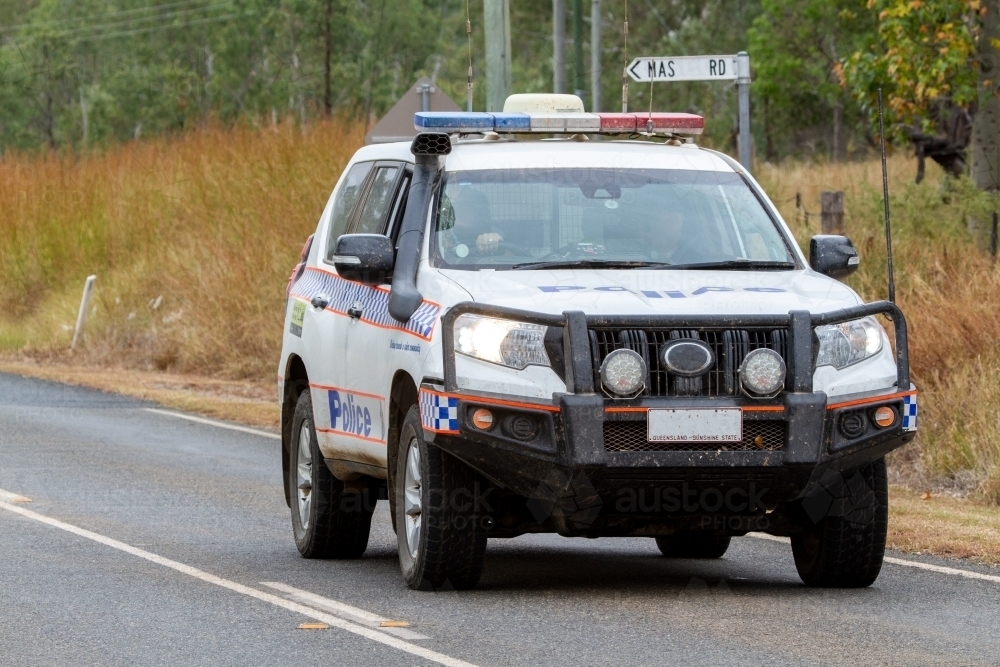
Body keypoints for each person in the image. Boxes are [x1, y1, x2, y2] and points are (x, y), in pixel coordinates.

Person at [439, 188, 504, 259]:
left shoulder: (496, 233)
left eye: (465, 205)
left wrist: (495, 243)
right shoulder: (439, 233)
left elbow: (511, 258)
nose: (455, 210)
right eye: (454, 205)